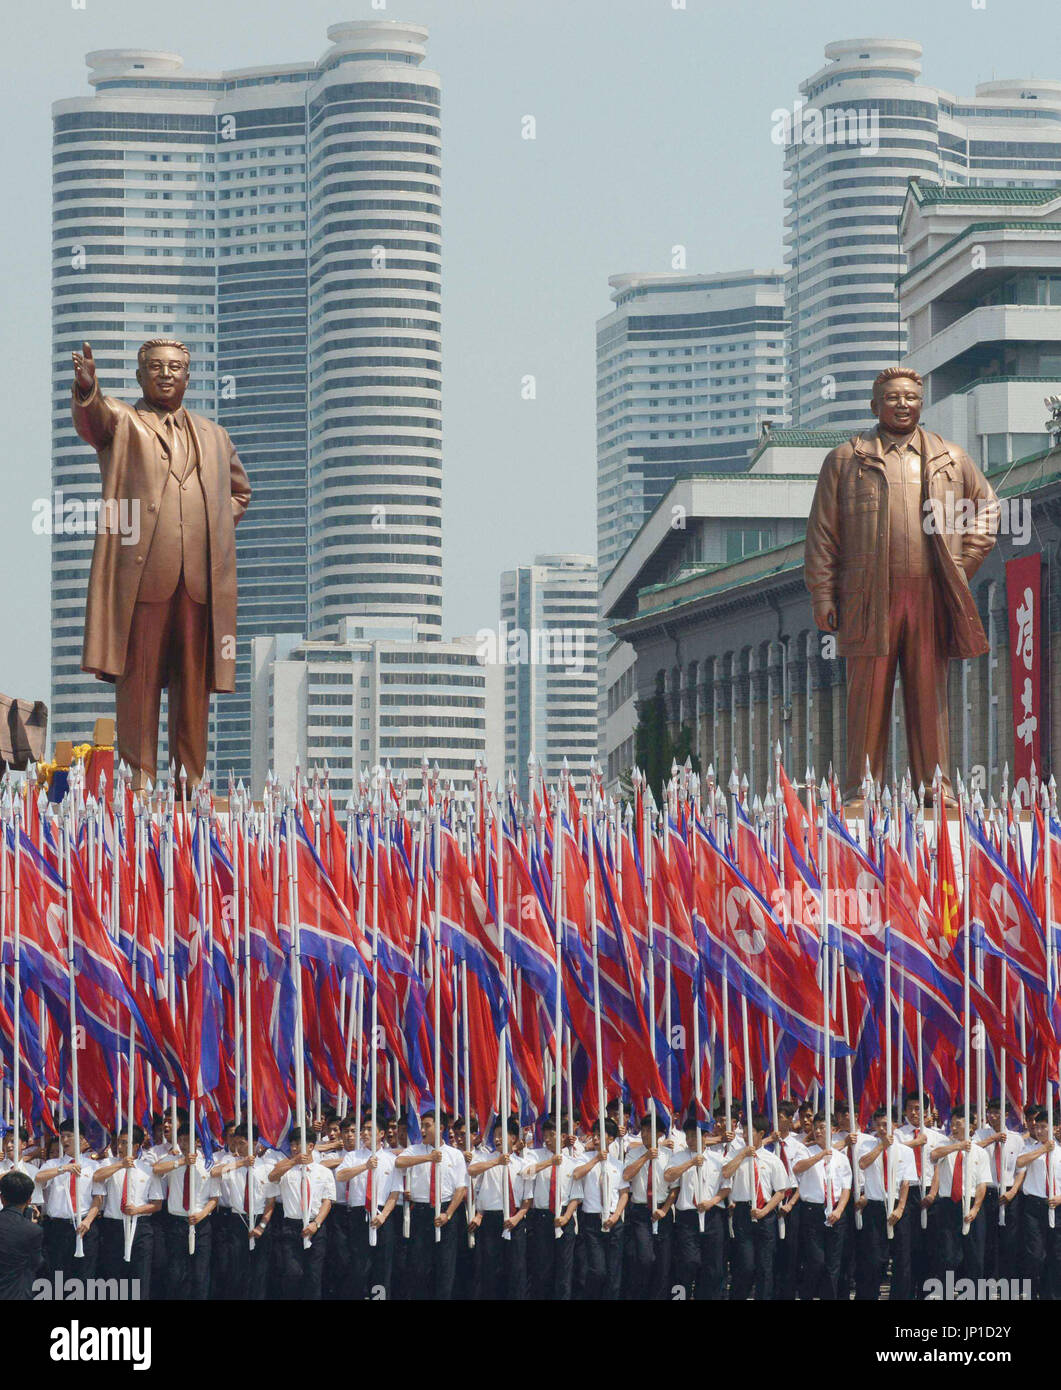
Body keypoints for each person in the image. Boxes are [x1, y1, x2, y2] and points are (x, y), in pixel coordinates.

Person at [805, 366, 998, 801]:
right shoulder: (846, 459)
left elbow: (986, 509)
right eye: (893, 398)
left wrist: (962, 566)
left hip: (930, 593)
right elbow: (822, 532)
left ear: (921, 403)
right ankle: (861, 789)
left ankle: (936, 787)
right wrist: (822, 592)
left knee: (930, 693)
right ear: (875, 405)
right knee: (867, 696)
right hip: (869, 594)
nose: (902, 404)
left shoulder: (950, 457)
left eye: (910, 396)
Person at [70, 338, 252, 788]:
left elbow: (240, 493)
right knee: (141, 680)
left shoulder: (214, 436)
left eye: (174, 367)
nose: (166, 374)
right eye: (156, 367)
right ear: (140, 376)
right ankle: (140, 778)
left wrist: (214, 524)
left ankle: (191, 780)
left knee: (193, 684)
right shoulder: (124, 422)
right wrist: (87, 389)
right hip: (143, 577)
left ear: (188, 377)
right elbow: (93, 422)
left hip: (199, 583)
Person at [395, 1110, 467, 1301]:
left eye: (427, 1125)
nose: (423, 1130)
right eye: (422, 1126)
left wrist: (448, 1214)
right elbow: (399, 1162)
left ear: (441, 1128)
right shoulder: (415, 1150)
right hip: (420, 1212)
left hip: (445, 1212)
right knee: (419, 1267)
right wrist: (428, 1158)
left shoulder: (455, 1155)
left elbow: (460, 1189)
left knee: (445, 1266)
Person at [722, 1113, 788, 1301]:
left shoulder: (771, 1159)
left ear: (761, 1133)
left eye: (749, 1131)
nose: (744, 1135)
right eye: (743, 1131)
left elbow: (781, 1191)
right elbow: (726, 1173)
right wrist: (743, 1154)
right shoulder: (735, 1155)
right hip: (743, 1212)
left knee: (765, 1266)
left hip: (765, 1215)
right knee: (746, 1265)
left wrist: (765, 1211)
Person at [91, 1126, 163, 1295]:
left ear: (136, 1145)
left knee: (140, 1276)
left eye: (125, 1143)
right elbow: (97, 1176)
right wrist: (120, 1165)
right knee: (113, 1276)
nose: (121, 1146)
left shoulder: (147, 1169)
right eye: (119, 1142)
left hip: (140, 1227)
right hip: (114, 1226)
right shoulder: (109, 1163)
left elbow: (157, 1203)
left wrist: (138, 1209)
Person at [335, 1116, 400, 1300]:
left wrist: (384, 1216)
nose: (364, 1133)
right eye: (363, 1129)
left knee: (382, 1266)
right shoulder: (353, 1156)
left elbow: (395, 1193)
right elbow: (340, 1176)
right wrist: (364, 1166)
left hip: (382, 1215)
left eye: (370, 1129)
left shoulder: (390, 1159)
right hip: (358, 1213)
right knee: (359, 1266)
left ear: (381, 1134)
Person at [209, 1129, 277, 1300]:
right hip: (237, 1219)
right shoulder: (230, 1161)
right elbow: (214, 1172)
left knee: (259, 1271)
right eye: (236, 1142)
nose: (237, 1146)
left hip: (260, 1219)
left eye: (242, 1143)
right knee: (237, 1270)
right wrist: (240, 1164)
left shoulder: (266, 1167)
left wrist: (262, 1226)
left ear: (254, 1143)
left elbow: (271, 1202)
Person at [153, 1124, 220, 1300]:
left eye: (186, 1139)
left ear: (197, 1141)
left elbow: (214, 1198)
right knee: (176, 1272)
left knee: (200, 1273)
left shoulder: (207, 1163)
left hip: (201, 1223)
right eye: (180, 1140)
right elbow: (156, 1169)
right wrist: (180, 1162)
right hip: (177, 1223)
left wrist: (202, 1214)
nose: (183, 1143)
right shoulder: (172, 1160)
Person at [468, 1117, 531, 1300]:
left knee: (517, 1269)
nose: (497, 1139)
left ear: (513, 1138)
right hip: (491, 1219)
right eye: (495, 1135)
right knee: (490, 1269)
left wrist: (516, 1219)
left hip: (514, 1219)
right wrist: (497, 1162)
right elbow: (472, 1171)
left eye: (501, 1135)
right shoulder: (486, 1158)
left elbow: (527, 1200)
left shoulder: (522, 1165)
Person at [665, 1116, 728, 1301]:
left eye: (694, 1136)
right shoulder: (679, 1157)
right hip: (687, 1217)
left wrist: (712, 1201)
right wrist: (691, 1163)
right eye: (688, 1136)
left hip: (711, 1215)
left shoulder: (717, 1159)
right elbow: (669, 1176)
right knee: (688, 1262)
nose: (690, 1140)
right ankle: (681, 1297)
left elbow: (726, 1187)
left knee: (713, 1267)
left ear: (705, 1137)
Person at [269, 1126, 335, 1301]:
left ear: (311, 1146)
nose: (295, 1148)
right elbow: (272, 1176)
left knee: (314, 1276)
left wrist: (316, 1224)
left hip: (316, 1226)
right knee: (293, 1273)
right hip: (291, 1226)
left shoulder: (324, 1172)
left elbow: (327, 1201)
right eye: (292, 1144)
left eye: (299, 1144)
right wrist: (293, 1162)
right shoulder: (287, 1169)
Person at [854, 1108, 914, 1300]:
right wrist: (881, 1146)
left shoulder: (905, 1150)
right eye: (878, 1124)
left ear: (895, 1125)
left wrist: (900, 1208)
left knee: (902, 1258)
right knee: (873, 1258)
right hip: (875, 1205)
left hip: (897, 1205)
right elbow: (862, 1164)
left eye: (885, 1124)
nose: (881, 1129)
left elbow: (906, 1181)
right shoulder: (867, 1145)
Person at [928, 1108, 989, 1289]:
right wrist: (958, 1146)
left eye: (958, 1124)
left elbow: (982, 1184)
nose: (954, 1127)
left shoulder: (979, 1153)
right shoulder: (945, 1147)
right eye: (952, 1124)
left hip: (971, 1205)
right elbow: (933, 1155)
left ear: (970, 1126)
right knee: (948, 1256)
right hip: (949, 1205)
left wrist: (975, 1209)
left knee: (974, 1257)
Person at [524, 1115, 584, 1300]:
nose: (547, 1139)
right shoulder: (535, 1155)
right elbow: (525, 1173)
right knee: (543, 1269)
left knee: (564, 1270)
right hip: (542, 1218)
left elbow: (577, 1196)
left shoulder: (573, 1162)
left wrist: (566, 1217)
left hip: (564, 1218)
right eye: (545, 1134)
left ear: (564, 1136)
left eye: (552, 1134)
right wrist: (550, 1162)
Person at [793, 1112, 850, 1301]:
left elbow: (846, 1188)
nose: (817, 1131)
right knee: (816, 1262)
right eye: (816, 1127)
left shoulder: (841, 1158)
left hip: (835, 1211)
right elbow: (797, 1168)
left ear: (833, 1130)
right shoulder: (805, 1151)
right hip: (812, 1212)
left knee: (832, 1266)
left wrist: (839, 1210)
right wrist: (819, 1156)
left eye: (822, 1127)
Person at [36, 1120, 103, 1281]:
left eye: (69, 1136)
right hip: (58, 1228)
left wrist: (88, 1221)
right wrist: (63, 1169)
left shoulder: (93, 1166)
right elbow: (38, 1178)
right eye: (62, 1136)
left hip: (85, 1226)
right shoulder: (53, 1164)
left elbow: (98, 1198)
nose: (64, 1140)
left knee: (85, 1276)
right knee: (58, 1276)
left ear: (81, 1139)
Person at [620, 1112, 675, 1300]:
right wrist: (645, 1157)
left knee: (663, 1263)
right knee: (645, 1259)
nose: (644, 1134)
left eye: (649, 1131)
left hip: (662, 1210)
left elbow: (674, 1188)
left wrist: (665, 1209)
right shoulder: (634, 1154)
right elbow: (626, 1176)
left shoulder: (668, 1155)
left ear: (660, 1134)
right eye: (642, 1130)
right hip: (640, 1212)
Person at [574, 1119, 629, 1300]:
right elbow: (576, 1174)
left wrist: (616, 1216)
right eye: (594, 1134)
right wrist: (597, 1158)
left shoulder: (618, 1164)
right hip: (592, 1221)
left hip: (614, 1220)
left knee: (614, 1273)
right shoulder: (585, 1158)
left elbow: (623, 1194)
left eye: (600, 1135)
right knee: (597, 1270)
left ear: (611, 1138)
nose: (596, 1138)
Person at [975, 1097, 1025, 1281]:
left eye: (997, 1113)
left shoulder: (1016, 1139)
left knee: (1009, 1240)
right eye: (990, 1113)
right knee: (988, 1240)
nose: (993, 1116)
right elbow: (971, 1150)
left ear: (1005, 1114)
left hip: (1010, 1192)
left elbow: (1021, 1169)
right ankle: (989, 1281)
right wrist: (992, 1139)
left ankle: (1008, 1281)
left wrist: (1013, 1191)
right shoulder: (980, 1134)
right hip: (987, 1192)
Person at [1015, 1106, 1061, 1300]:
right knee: (1035, 1254)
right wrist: (1043, 1149)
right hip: (1034, 1207)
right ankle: (1033, 1292)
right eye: (1037, 1126)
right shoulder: (1031, 1148)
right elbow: (1019, 1162)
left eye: (1044, 1126)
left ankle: (1053, 1294)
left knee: (1056, 1255)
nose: (1039, 1130)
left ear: (1056, 1128)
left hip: (1057, 1207)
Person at [0, 1171, 44, 1300]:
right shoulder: (32, 1230)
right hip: (16, 1293)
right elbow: (36, 1263)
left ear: (2, 1197)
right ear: (29, 1200)